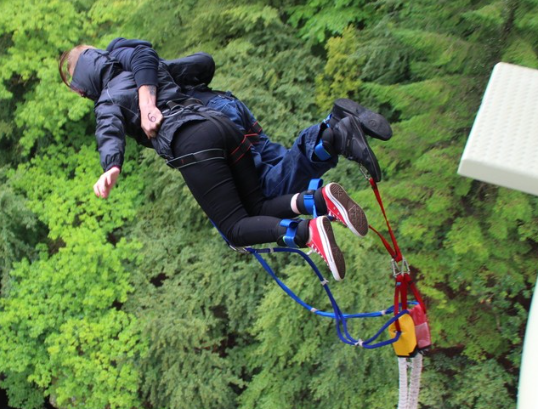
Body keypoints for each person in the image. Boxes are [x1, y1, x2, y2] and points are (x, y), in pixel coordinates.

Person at [59, 44, 372, 281]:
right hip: (218, 122)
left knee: (234, 229)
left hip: (194, 142)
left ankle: (309, 231)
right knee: (259, 204)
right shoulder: (143, 67)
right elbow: (191, 61)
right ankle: (319, 198)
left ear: (83, 87)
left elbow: (108, 130)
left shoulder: (107, 100)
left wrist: (111, 166)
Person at [104, 38, 392, 199]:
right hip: (224, 104)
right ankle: (335, 123)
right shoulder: (126, 56)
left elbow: (109, 126)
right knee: (283, 167)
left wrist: (145, 106)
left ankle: (333, 136)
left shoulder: (111, 78)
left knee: (268, 189)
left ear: (80, 89)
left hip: (214, 124)